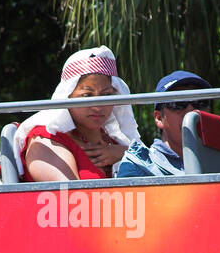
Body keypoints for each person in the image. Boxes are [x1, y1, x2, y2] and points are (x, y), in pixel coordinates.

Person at [15, 46, 140, 182]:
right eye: (87, 95)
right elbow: (72, 199)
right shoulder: (45, 141)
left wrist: (125, 153)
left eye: (107, 95)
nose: (98, 106)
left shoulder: (114, 142)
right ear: (67, 96)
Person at [116, 70, 214, 177]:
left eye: (200, 102)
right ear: (159, 118)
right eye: (178, 103)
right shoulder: (137, 165)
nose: (191, 110)